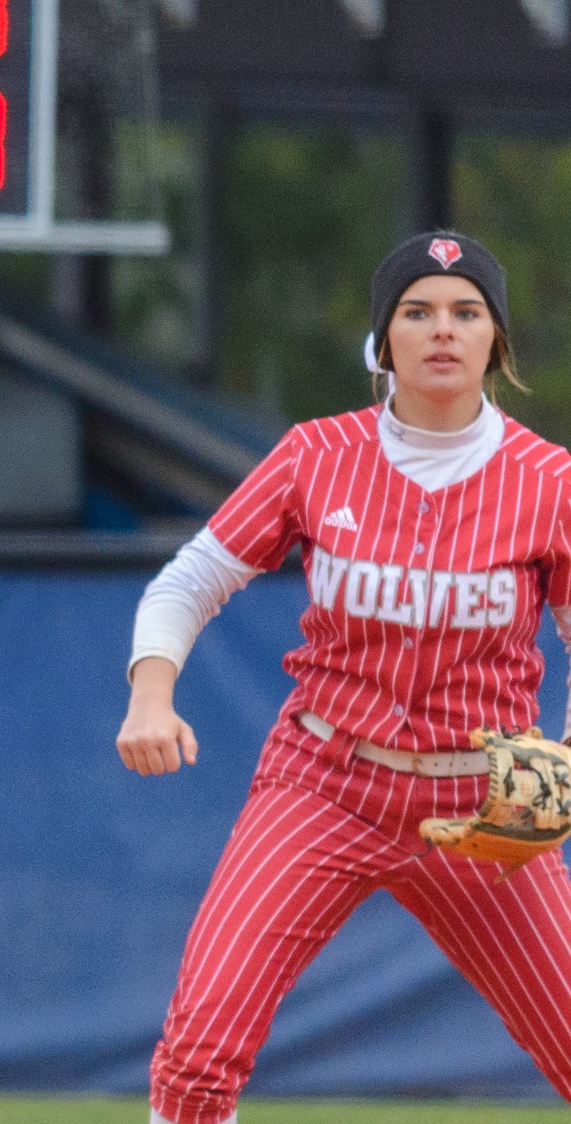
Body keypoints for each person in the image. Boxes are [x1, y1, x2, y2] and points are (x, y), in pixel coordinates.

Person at [117, 231, 571, 1124]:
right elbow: (190, 581)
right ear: (384, 340)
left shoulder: (551, 480)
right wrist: (150, 693)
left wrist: (561, 773)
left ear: (496, 342)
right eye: (418, 311)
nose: (443, 329)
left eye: (466, 312)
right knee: (199, 1050)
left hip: (491, 784)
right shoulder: (315, 455)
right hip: (325, 775)